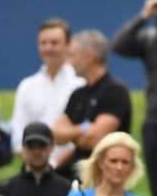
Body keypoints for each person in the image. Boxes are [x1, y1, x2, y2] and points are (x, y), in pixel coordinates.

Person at [52, 28, 135, 164]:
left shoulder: (115, 91)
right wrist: (84, 129)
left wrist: (71, 135)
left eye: (73, 56)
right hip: (75, 176)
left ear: (90, 56)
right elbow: (56, 134)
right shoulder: (77, 94)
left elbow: (95, 139)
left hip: (103, 177)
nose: (69, 62)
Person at [8, 19, 79, 168]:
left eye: (54, 43)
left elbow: (79, 136)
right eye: (43, 43)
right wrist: (35, 163)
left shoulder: (79, 84)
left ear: (68, 46)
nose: (48, 48)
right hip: (31, 168)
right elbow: (18, 132)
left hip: (70, 168)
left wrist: (52, 164)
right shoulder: (27, 86)